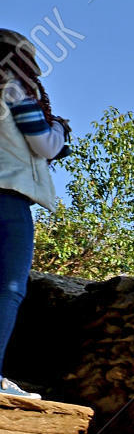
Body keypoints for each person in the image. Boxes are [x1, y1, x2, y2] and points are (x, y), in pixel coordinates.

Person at [0, 28, 69, 399]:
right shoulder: (13, 88)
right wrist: (60, 128)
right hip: (7, 198)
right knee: (7, 288)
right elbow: (45, 144)